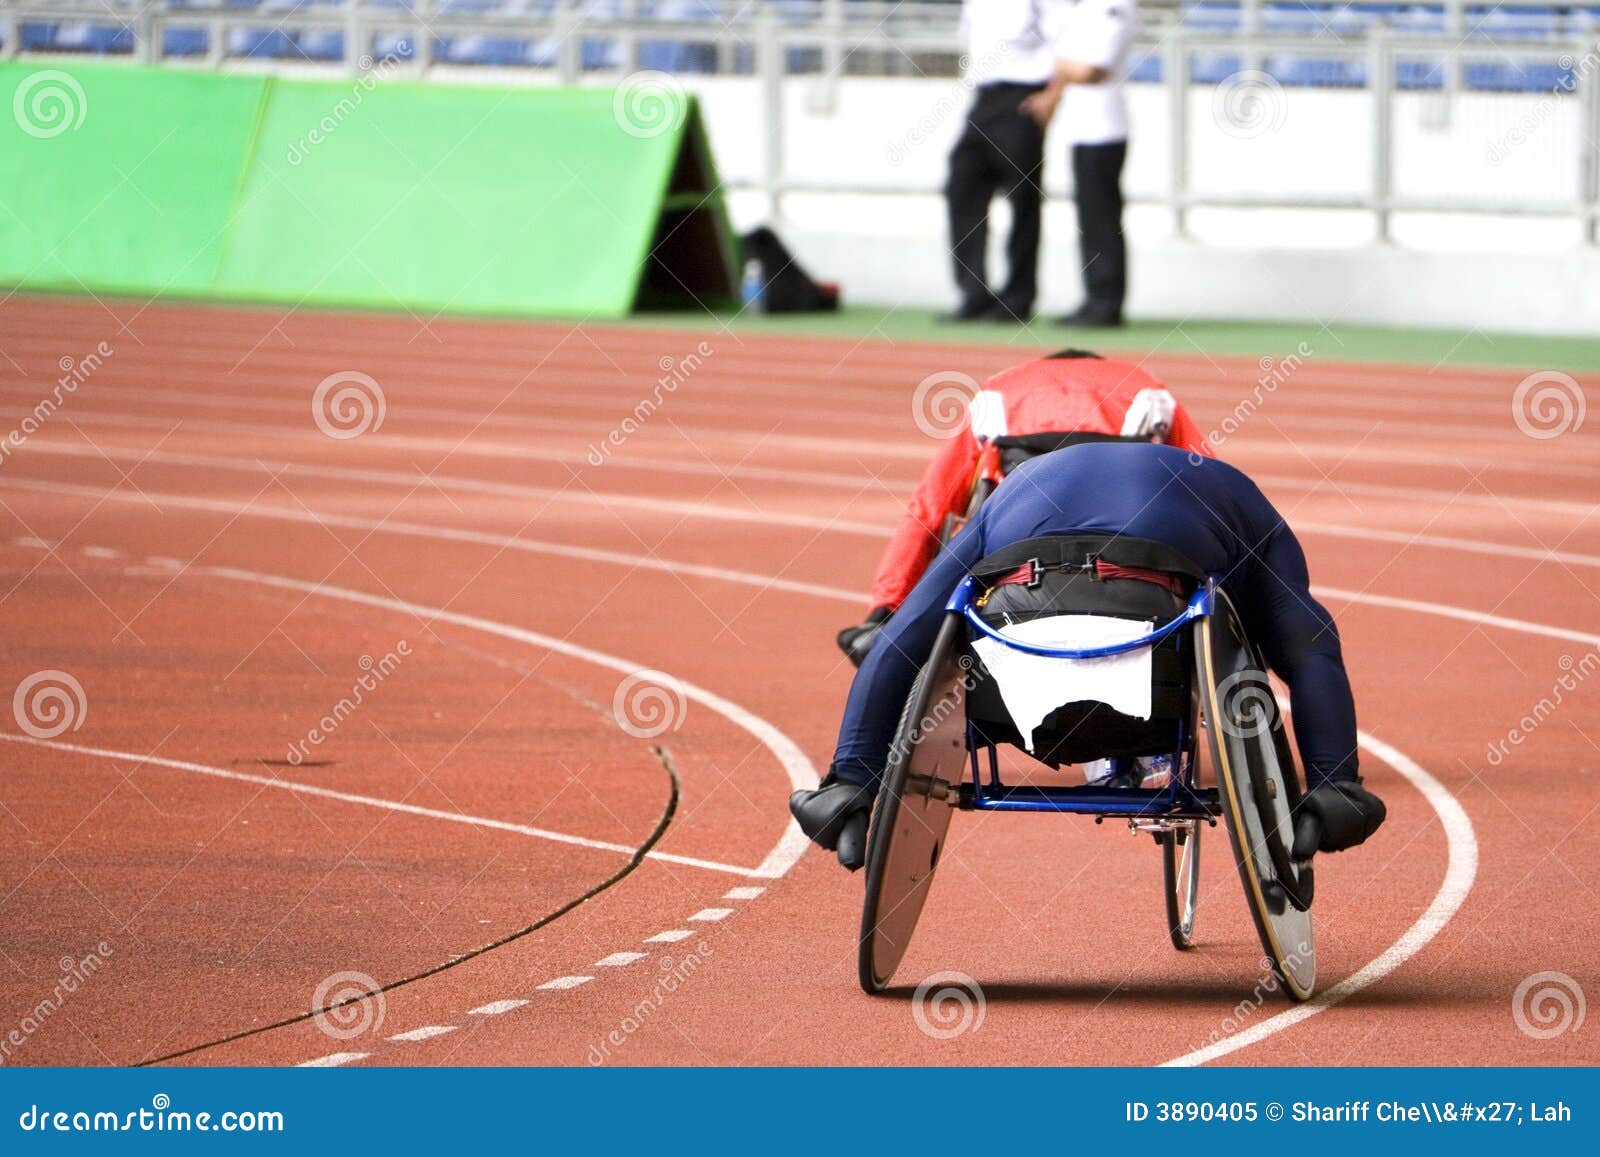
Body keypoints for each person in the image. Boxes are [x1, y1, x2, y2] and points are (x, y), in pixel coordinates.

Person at [795, 442, 1387, 870]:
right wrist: (1337, 782)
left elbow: (906, 636)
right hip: (1157, 673)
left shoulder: (1015, 489)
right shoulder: (1237, 493)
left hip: (1016, 652)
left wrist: (851, 775)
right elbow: (1310, 645)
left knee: (961, 627)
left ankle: (853, 785)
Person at [837, 349, 1212, 666]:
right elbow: (1208, 490)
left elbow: (930, 507)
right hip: (1132, 552)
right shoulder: (1147, 389)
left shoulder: (998, 393)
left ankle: (881, 666)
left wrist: (887, 605)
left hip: (1015, 553)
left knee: (955, 553)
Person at [1020, 0, 1139, 327]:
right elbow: (1073, 68)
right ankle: (1094, 298)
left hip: (1104, 127)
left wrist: (1057, 64)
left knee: (1102, 218)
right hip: (1083, 128)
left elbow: (1091, 69)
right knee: (1090, 217)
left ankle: (1106, 302)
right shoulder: (1085, 8)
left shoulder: (1114, 6)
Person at [942, 0, 1061, 323]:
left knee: (1022, 201)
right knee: (961, 186)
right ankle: (973, 293)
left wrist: (1052, 96)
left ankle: (1018, 298)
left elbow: (1062, 39)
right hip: (984, 96)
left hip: (1023, 96)